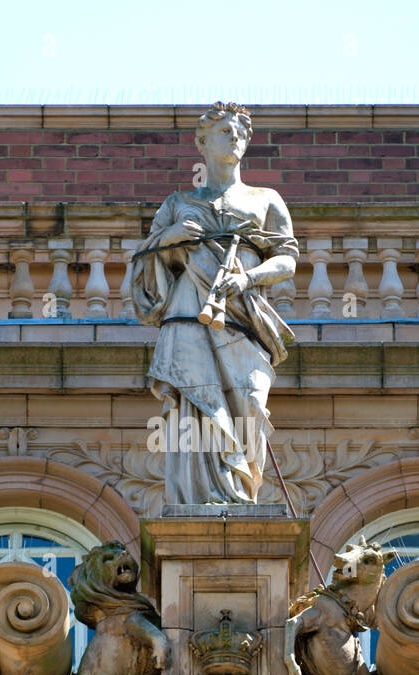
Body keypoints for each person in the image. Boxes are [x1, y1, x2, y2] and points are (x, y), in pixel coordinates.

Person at [131, 102, 298, 505]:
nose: (235, 137)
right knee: (194, 402)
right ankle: (196, 499)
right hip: (188, 314)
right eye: (225, 130)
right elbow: (145, 262)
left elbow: (288, 258)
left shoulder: (265, 199)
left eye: (241, 131)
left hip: (242, 316)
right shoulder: (177, 203)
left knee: (252, 403)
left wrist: (248, 278)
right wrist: (169, 238)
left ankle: (241, 491)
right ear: (202, 143)